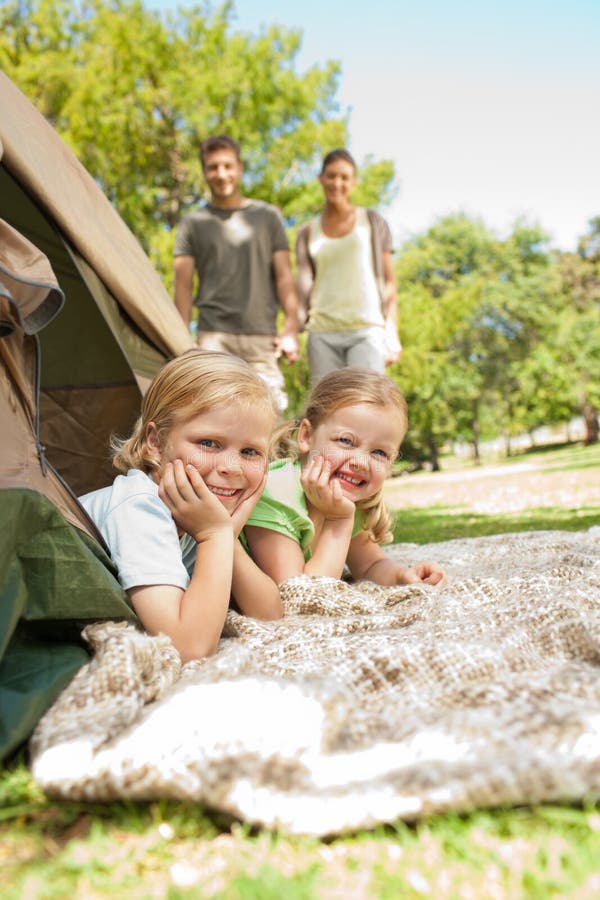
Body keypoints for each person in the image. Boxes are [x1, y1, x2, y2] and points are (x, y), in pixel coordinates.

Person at [80, 349, 283, 663]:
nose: (232, 467)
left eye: (250, 452)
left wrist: (225, 535)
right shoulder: (140, 507)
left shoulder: (198, 514)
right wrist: (215, 535)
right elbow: (189, 648)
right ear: (156, 442)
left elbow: (270, 617)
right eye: (208, 443)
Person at [243, 368, 445, 587]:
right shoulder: (275, 493)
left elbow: (370, 565)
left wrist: (402, 576)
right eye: (346, 441)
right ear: (307, 436)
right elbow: (301, 595)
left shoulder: (349, 496)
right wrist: (339, 521)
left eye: (379, 453)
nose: (360, 462)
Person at [173, 135, 299, 413]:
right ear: (205, 172)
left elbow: (285, 277)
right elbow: (183, 285)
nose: (221, 174)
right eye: (213, 167)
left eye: (228, 166)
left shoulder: (268, 218)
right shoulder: (193, 224)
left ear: (240, 168)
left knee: (269, 420)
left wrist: (291, 327)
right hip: (212, 338)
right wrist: (182, 340)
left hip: (261, 339)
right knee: (212, 420)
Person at [295, 148, 402, 385]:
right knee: (325, 409)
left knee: (367, 402)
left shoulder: (372, 222)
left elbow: (389, 281)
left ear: (354, 182)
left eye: (344, 177)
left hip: (366, 330)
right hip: (322, 331)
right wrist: (293, 329)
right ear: (320, 179)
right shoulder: (306, 232)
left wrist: (391, 332)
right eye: (331, 176)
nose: (337, 183)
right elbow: (303, 283)